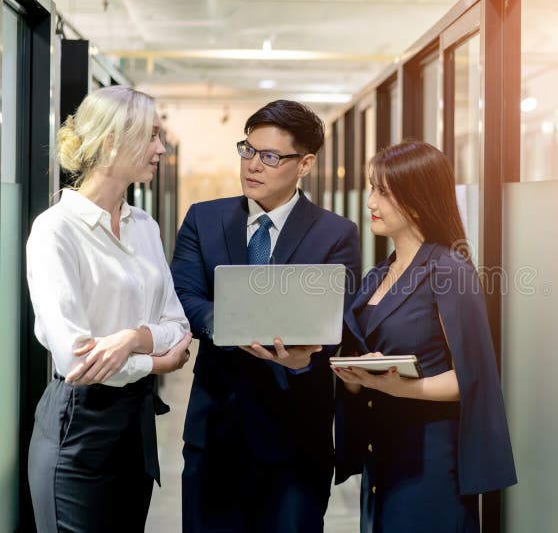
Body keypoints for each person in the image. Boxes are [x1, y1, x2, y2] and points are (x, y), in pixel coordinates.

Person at [172, 99, 361, 532]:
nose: (253, 165)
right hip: (216, 430)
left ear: (305, 163)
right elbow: (183, 293)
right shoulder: (205, 218)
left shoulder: (335, 233)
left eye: (271, 156)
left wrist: (304, 358)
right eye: (248, 150)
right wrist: (230, 323)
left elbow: (340, 316)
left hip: (295, 434)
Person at [26, 85, 193, 532]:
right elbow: (76, 360)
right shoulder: (56, 230)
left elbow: (178, 324)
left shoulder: (145, 227)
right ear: (112, 141)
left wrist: (131, 340)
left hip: (133, 426)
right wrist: (157, 359)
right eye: (152, 135)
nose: (161, 148)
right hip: (77, 428)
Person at [332, 140, 517, 532]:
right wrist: (354, 380)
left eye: (382, 191)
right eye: (370, 187)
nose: (370, 201)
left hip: (430, 460)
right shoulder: (377, 275)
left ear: (416, 198)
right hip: (381, 453)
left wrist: (397, 388)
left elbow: (471, 377)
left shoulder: (449, 269)